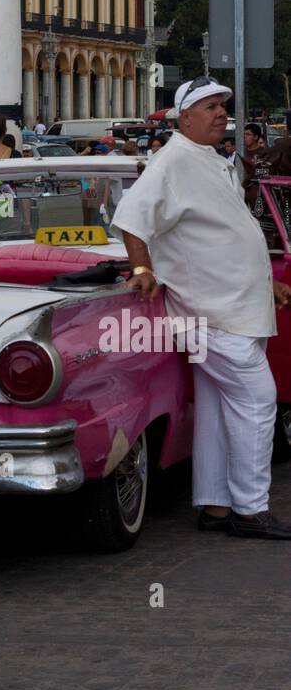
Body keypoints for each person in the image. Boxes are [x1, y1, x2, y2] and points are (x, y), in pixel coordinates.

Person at [113, 76, 291, 539]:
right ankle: (249, 510)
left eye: (222, 107)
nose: (220, 114)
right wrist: (140, 271)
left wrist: (264, 283)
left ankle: (214, 506)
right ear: (184, 116)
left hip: (226, 305)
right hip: (208, 312)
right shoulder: (171, 161)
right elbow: (131, 218)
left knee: (215, 408)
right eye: (210, 107)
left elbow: (224, 234)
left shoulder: (209, 160)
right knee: (257, 399)